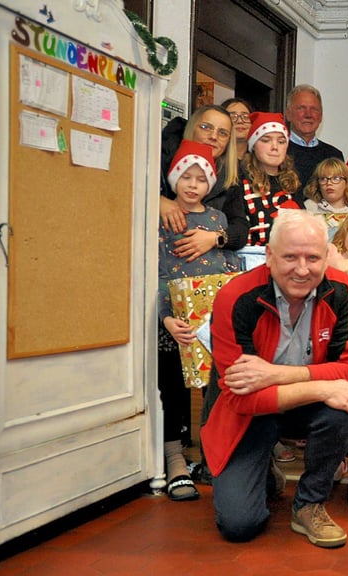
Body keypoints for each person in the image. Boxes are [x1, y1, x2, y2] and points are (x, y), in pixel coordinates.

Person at [200, 209, 348, 547]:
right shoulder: (235, 298)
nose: (302, 269)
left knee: (342, 407)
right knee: (239, 525)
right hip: (247, 413)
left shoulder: (341, 290)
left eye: (313, 257)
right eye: (290, 257)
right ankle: (263, 472)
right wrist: (321, 385)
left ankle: (310, 504)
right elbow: (240, 397)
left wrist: (276, 374)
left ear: (326, 258)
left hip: (302, 404)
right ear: (269, 255)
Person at [157, 140, 240, 501]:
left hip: (211, 319)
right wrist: (165, 318)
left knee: (215, 390)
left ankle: (213, 456)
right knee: (172, 386)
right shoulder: (161, 215)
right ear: (173, 178)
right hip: (175, 320)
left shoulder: (217, 220)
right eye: (185, 177)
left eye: (200, 178)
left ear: (211, 183)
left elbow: (224, 263)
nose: (192, 184)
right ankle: (175, 459)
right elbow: (158, 271)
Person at [159, 105, 248, 263]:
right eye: (206, 127)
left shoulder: (229, 176)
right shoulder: (161, 156)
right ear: (192, 128)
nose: (213, 136)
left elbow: (240, 227)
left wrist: (215, 238)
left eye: (222, 133)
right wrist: (156, 200)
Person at [238, 112, 303, 248]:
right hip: (250, 259)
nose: (275, 147)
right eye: (266, 140)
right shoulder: (239, 180)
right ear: (253, 146)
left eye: (281, 141)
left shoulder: (292, 182)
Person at [284, 84, 344, 195]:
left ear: (321, 116)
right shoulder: (277, 151)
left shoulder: (334, 155)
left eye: (314, 109)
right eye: (301, 108)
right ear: (288, 114)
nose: (308, 115)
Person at [302, 158, 348, 233]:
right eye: (323, 179)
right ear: (317, 184)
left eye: (336, 178)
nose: (329, 183)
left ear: (347, 182)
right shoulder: (309, 208)